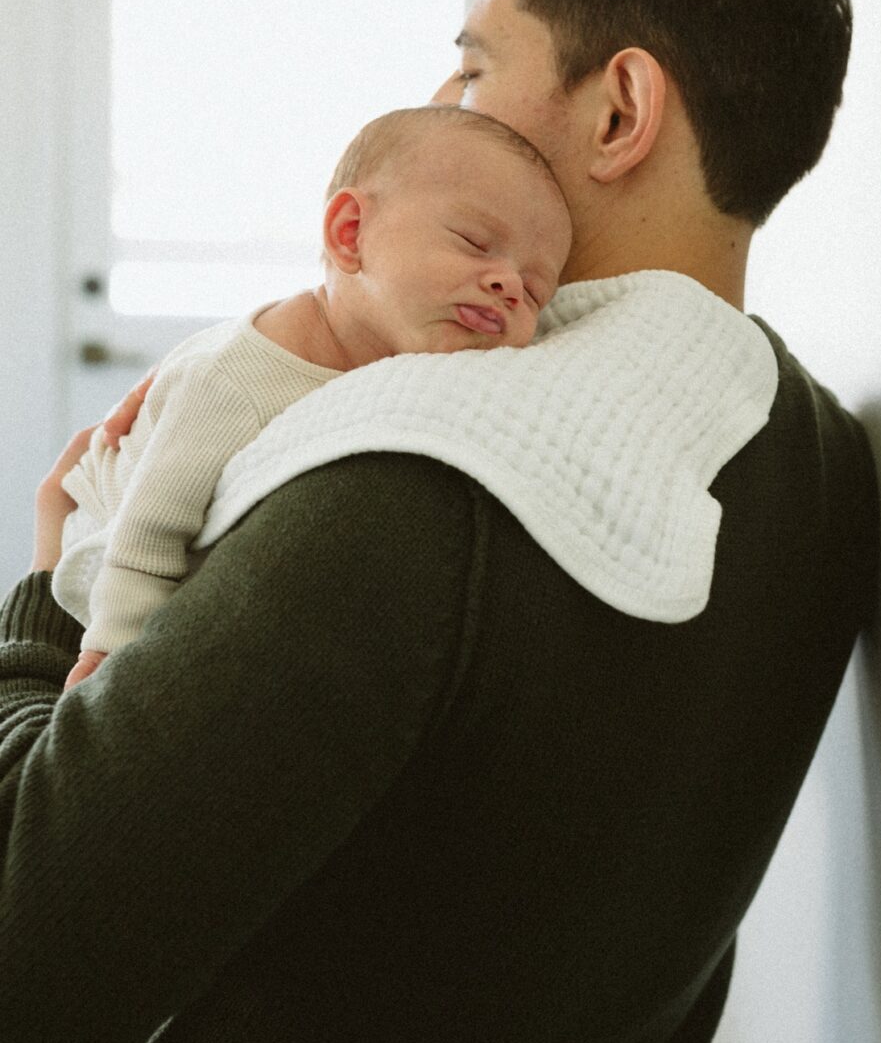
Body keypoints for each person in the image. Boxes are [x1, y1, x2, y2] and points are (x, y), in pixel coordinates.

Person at [0, 0, 879, 1043]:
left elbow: (29, 948)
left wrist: (49, 597)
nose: (456, 103)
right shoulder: (817, 458)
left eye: (476, 66)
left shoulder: (422, 465)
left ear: (620, 110)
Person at [52, 103, 572, 689]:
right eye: (475, 242)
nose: (506, 285)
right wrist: (110, 653)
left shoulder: (419, 377)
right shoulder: (239, 377)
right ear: (350, 234)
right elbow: (148, 529)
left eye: (534, 291)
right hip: (105, 555)